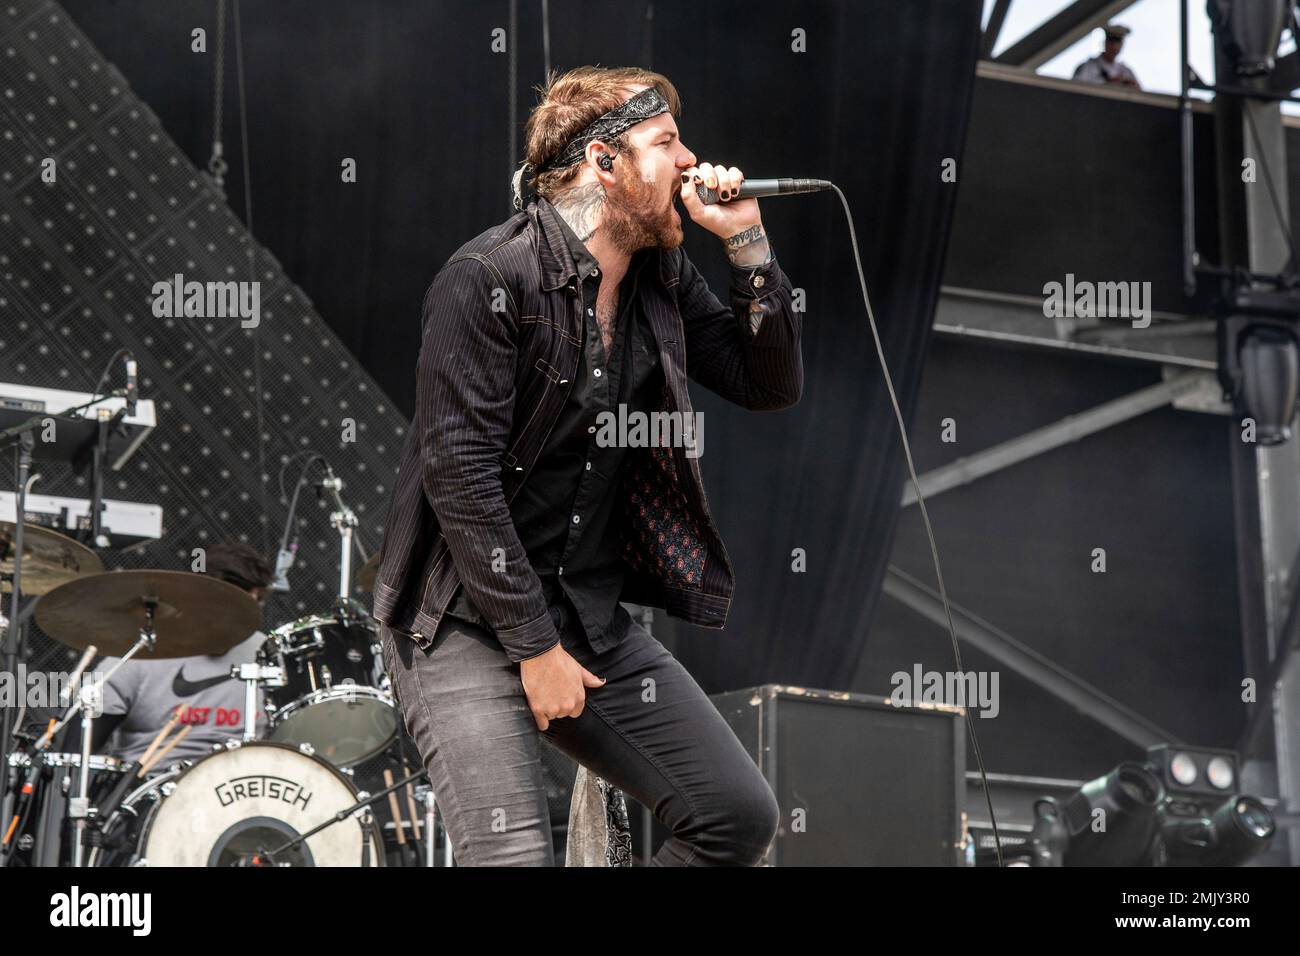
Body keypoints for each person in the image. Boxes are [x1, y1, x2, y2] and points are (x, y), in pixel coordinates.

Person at [372, 65, 803, 866]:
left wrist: (746, 239)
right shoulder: (488, 279)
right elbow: (458, 476)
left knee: (734, 816)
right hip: (462, 619)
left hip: (586, 614)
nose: (689, 163)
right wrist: (534, 651)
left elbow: (767, 382)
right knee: (513, 858)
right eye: (667, 143)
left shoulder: (659, 279)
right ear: (604, 163)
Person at [69, 541, 271, 766]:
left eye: (256, 605)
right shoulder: (138, 654)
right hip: (151, 788)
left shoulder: (270, 654)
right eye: (236, 604)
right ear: (203, 595)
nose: (245, 616)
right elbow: (75, 754)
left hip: (244, 789)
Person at [1073, 23, 1140, 88]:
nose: (1114, 46)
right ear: (1105, 42)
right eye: (1111, 41)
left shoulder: (1125, 71)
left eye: (1118, 42)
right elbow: (1076, 88)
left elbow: (1140, 92)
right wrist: (1107, 83)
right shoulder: (1088, 67)